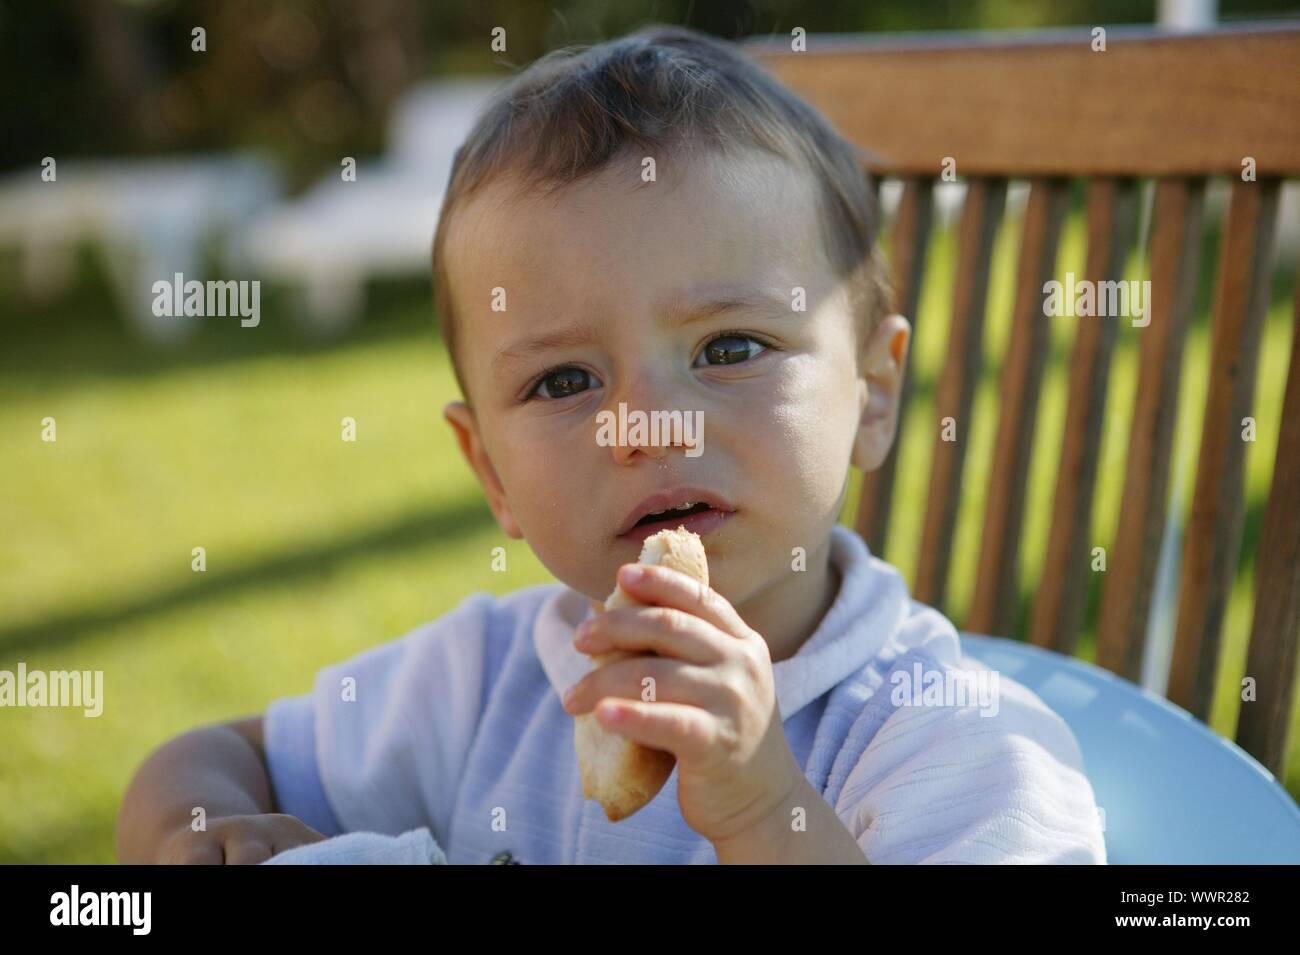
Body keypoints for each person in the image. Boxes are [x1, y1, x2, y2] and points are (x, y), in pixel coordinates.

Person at [116, 24, 1106, 864]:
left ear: (875, 393)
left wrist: (768, 808)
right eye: (563, 381)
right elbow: (202, 757)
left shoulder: (943, 733)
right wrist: (203, 831)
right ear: (490, 472)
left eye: (729, 347)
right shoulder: (482, 681)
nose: (645, 424)